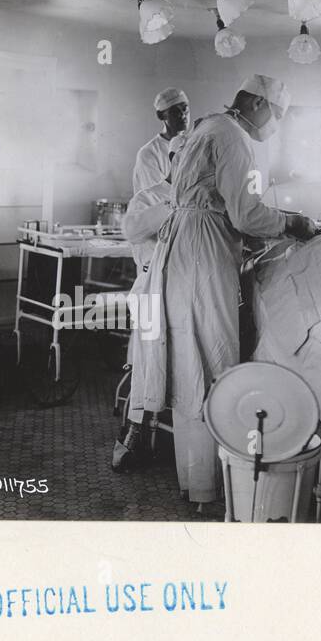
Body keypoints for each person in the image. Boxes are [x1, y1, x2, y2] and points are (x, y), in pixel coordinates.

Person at [134, 74, 315, 512]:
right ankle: (213, 489)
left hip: (184, 244)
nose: (273, 125)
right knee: (214, 357)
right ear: (256, 104)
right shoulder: (233, 138)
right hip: (203, 252)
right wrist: (292, 222)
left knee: (186, 361)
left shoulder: (208, 125)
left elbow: (221, 201)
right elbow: (247, 213)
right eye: (274, 115)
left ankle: (194, 484)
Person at [112, 89, 192, 471]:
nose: (182, 115)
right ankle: (137, 429)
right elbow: (136, 227)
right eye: (174, 112)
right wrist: (173, 200)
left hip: (182, 285)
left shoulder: (199, 198)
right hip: (149, 280)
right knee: (147, 358)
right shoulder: (150, 192)